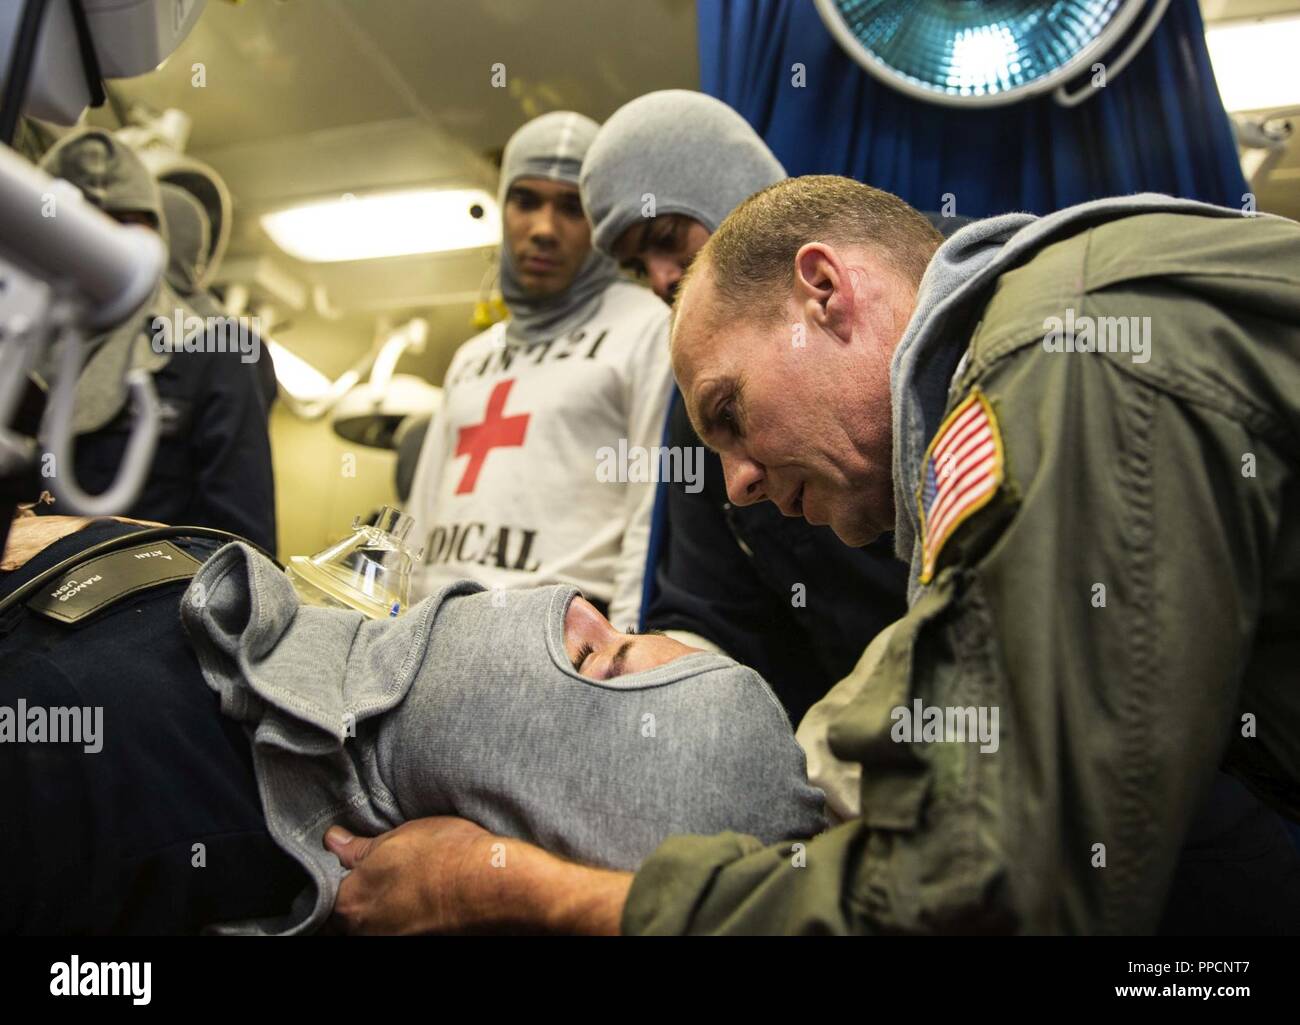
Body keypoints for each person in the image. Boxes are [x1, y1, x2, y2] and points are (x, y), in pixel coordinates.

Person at [328, 177, 1300, 935]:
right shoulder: (1060, 329)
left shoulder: (1063, 362)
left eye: (730, 414)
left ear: (825, 292)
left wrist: (514, 888)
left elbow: (991, 895)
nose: (738, 482)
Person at [0, 512, 822, 935]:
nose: (579, 603)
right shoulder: (240, 596)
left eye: (602, 655)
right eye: (623, 622)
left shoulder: (101, 812)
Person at [579, 90, 966, 723]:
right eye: (633, 266)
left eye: (666, 237)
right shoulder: (695, 412)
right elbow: (712, 609)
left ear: (828, 290)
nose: (657, 278)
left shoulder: (960, 286)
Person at [406, 112, 672, 630]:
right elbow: (419, 514)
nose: (544, 229)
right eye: (526, 201)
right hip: (432, 626)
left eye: (572, 208)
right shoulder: (470, 357)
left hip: (557, 632)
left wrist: (624, 654)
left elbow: (649, 513)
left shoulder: (647, 328)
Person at [35, 129, 277, 553]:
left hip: (136, 605)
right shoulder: (24, 345)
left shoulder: (218, 351)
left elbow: (240, 552)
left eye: (119, 227)